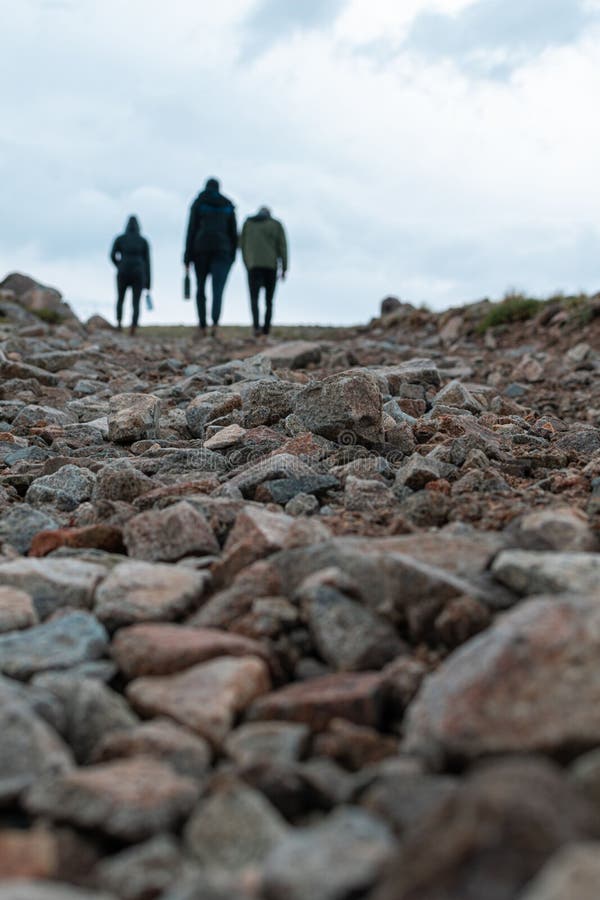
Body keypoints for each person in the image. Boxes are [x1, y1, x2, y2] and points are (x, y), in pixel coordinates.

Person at [183, 177, 237, 337]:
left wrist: (187, 257)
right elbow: (234, 234)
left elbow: (191, 230)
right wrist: (232, 255)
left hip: (200, 251)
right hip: (222, 252)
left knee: (200, 289)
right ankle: (215, 324)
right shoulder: (227, 205)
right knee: (218, 290)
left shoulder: (198, 203)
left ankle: (202, 326)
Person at [240, 206, 288, 337]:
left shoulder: (248, 223)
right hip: (270, 266)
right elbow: (282, 247)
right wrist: (284, 267)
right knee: (269, 300)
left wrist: (247, 263)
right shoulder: (276, 225)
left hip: (253, 265)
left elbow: (242, 245)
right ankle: (266, 329)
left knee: (254, 298)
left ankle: (256, 327)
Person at [110, 216, 151, 336]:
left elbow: (112, 255)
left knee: (120, 298)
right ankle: (133, 326)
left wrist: (119, 265)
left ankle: (119, 323)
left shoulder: (120, 239)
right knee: (136, 301)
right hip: (138, 272)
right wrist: (148, 282)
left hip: (123, 271)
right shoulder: (143, 241)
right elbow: (148, 263)